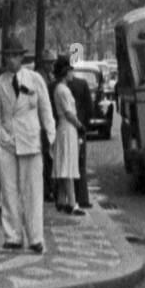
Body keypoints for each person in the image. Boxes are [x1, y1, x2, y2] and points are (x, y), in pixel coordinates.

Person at [0, 34, 56, 254]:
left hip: (31, 140)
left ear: (21, 58)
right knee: (9, 192)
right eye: (7, 56)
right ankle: (13, 236)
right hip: (7, 143)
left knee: (33, 191)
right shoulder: (0, 83)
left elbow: (46, 110)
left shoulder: (35, 79)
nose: (11, 61)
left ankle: (35, 237)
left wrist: (50, 136)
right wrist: (2, 138)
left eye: (15, 56)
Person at [52, 56, 87, 215]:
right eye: (70, 70)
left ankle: (61, 200)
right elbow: (68, 112)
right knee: (68, 166)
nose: (72, 73)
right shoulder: (63, 90)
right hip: (68, 128)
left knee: (64, 164)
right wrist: (79, 125)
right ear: (65, 72)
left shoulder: (59, 89)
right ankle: (73, 203)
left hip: (65, 128)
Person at [67, 67, 93, 209]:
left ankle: (66, 197)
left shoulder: (56, 86)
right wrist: (85, 124)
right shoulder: (81, 84)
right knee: (80, 163)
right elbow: (90, 108)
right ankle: (82, 197)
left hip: (63, 128)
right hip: (79, 127)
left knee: (65, 164)